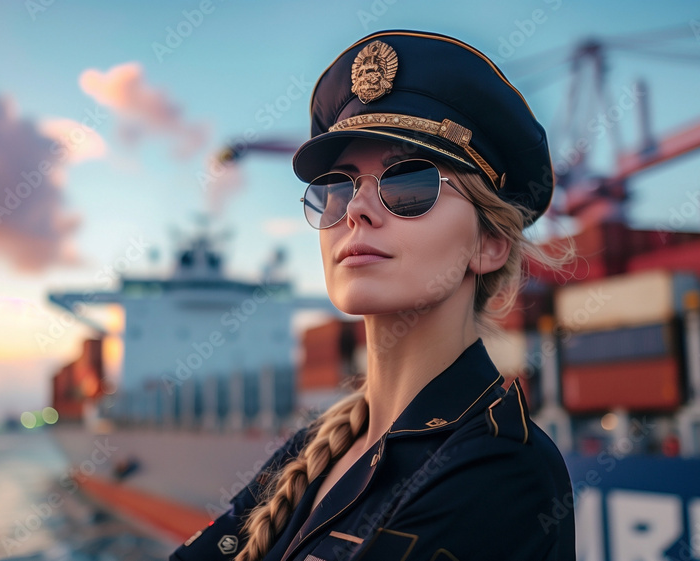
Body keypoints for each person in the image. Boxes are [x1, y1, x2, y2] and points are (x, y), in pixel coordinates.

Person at [170, 29, 576, 561]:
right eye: (338, 187)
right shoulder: (315, 446)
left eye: (409, 184)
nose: (357, 210)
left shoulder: (504, 471)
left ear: (489, 244)